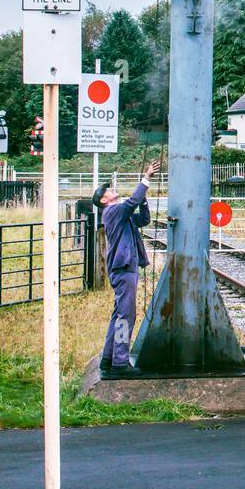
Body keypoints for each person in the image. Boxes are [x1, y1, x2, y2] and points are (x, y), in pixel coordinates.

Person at [93, 158, 160, 379]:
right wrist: (146, 178)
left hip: (124, 268)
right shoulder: (113, 212)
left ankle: (108, 358)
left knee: (118, 314)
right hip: (124, 268)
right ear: (104, 200)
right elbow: (131, 202)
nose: (113, 190)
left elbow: (144, 219)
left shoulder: (120, 215)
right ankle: (120, 362)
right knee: (126, 315)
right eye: (109, 190)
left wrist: (144, 199)